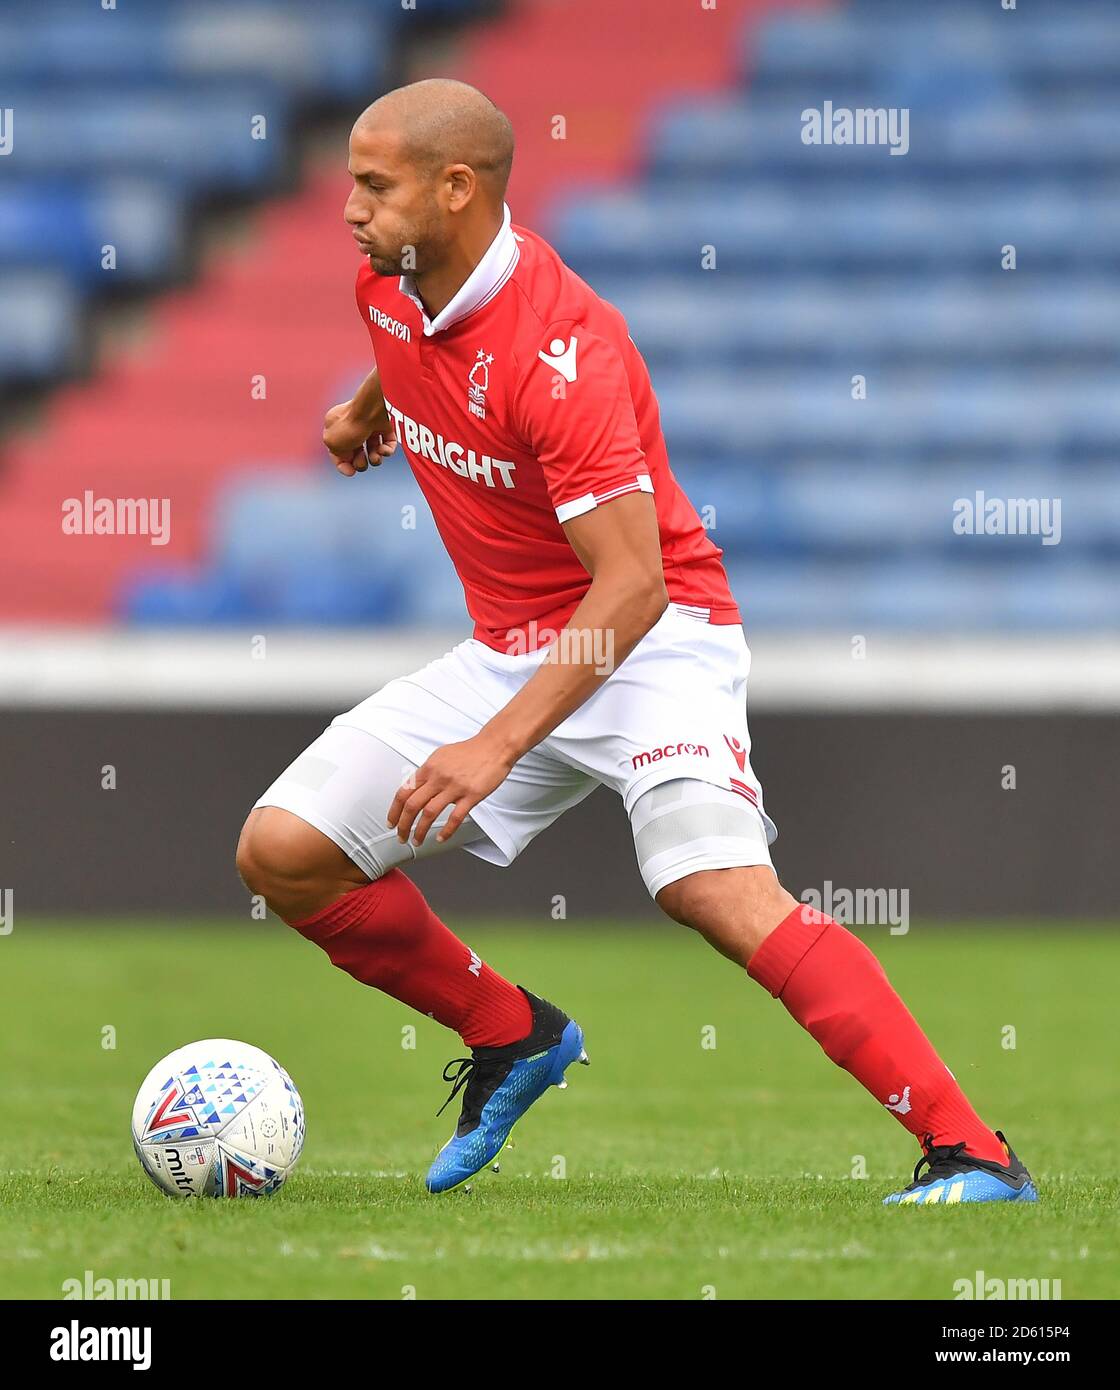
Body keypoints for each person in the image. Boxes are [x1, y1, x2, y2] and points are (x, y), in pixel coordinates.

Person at [237, 79, 1036, 1204]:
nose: (350, 207)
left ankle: (974, 1153)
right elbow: (416, 339)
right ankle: (515, 1037)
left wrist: (494, 747)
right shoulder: (390, 276)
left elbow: (632, 586)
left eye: (373, 183)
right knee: (283, 853)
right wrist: (371, 408)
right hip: (511, 643)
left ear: (455, 188)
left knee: (712, 887)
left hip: (652, 641)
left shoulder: (566, 351)